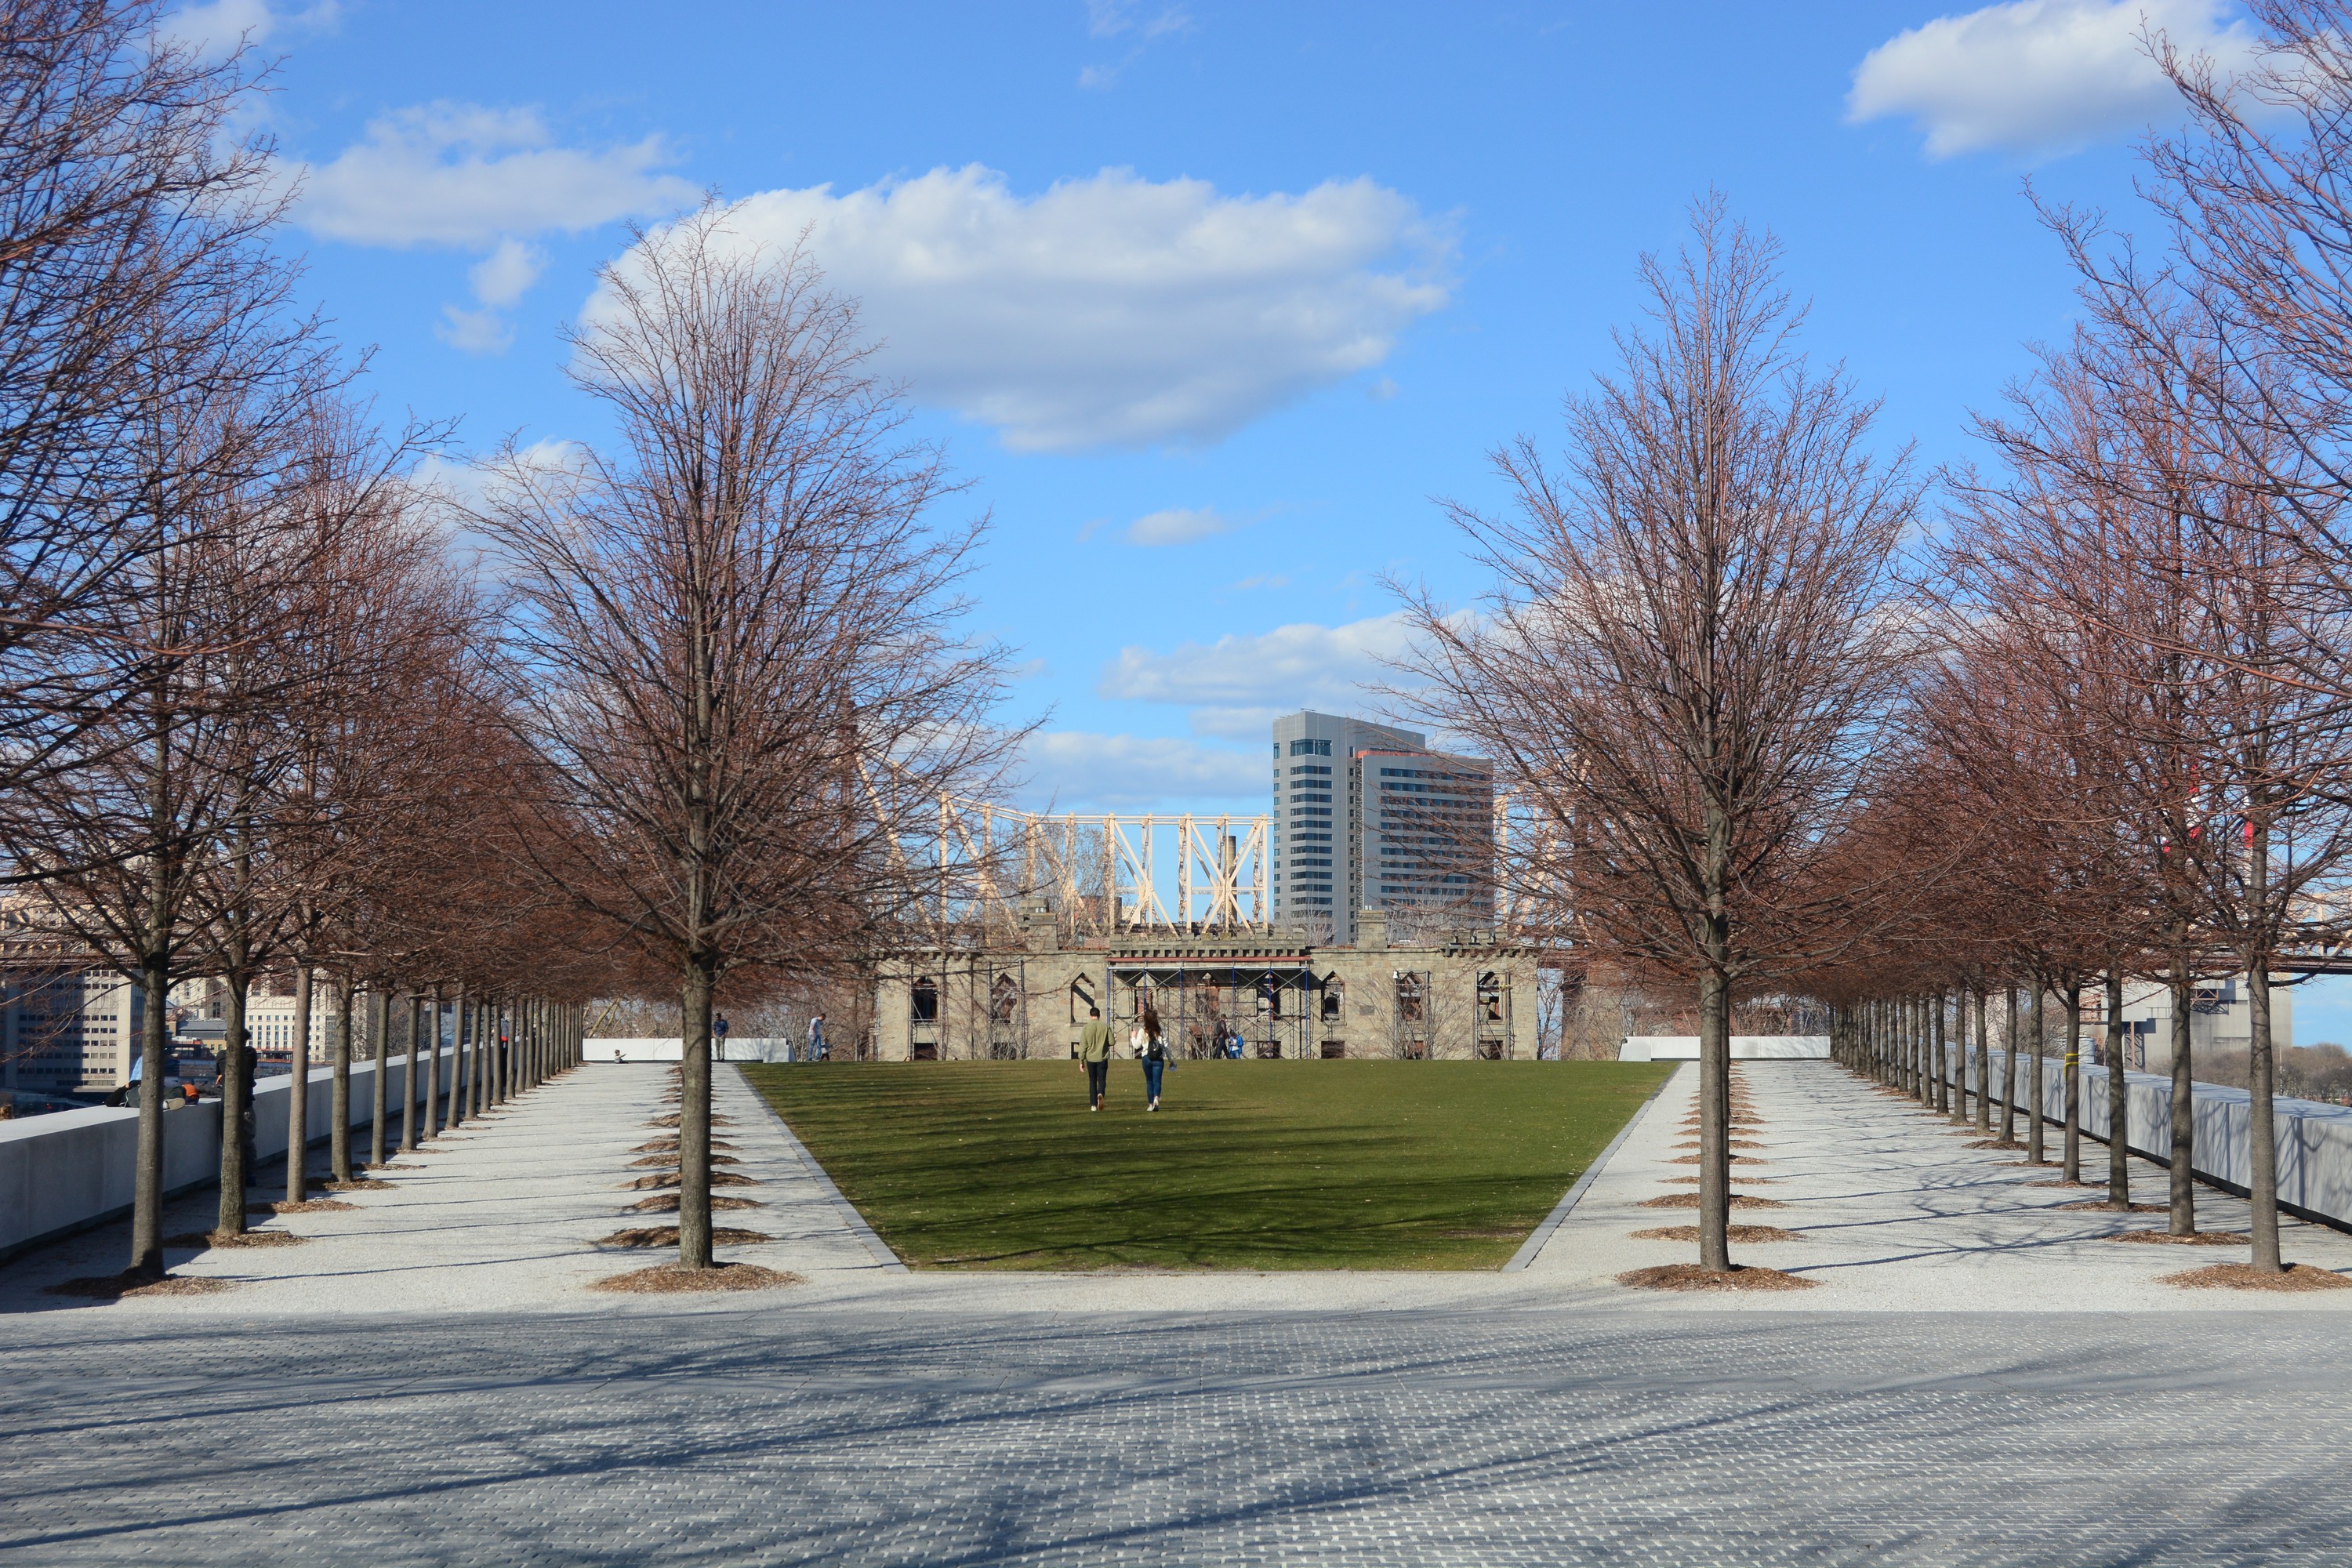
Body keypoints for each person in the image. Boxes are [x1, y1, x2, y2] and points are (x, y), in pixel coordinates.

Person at [1133, 1004, 1168, 1112]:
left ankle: (1150, 1104)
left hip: (1146, 1058)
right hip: (1158, 1058)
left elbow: (1136, 1046)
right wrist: (1171, 1060)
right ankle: (1156, 1096)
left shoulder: (1143, 1031)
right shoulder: (1161, 1031)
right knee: (1157, 1081)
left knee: (1149, 1081)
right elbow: (1166, 1046)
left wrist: (1132, 1037)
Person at [1078, 1006, 1112, 1110]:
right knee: (1102, 1079)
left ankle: (1093, 1105)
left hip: (1090, 1058)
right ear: (1099, 1016)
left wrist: (1081, 1061)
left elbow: (1083, 1046)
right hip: (1102, 1057)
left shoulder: (1086, 1028)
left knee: (1092, 1081)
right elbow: (1112, 1042)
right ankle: (1100, 1093)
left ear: (1090, 1016)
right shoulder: (1105, 1027)